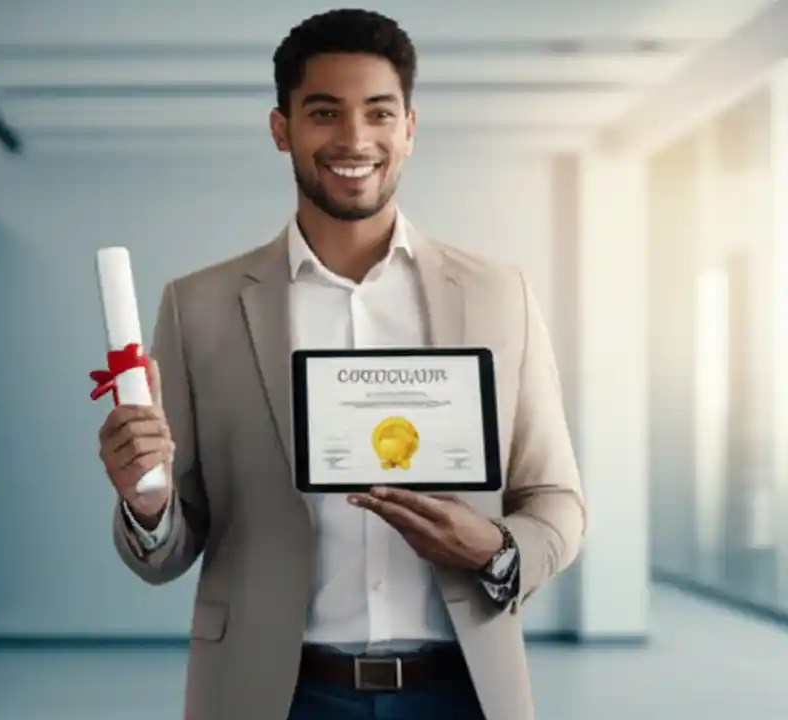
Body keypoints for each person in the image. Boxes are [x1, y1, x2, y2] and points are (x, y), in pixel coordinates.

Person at [96, 9, 586, 720]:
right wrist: (146, 505)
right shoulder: (198, 306)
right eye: (324, 113)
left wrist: (496, 548)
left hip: (462, 690)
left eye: (378, 114)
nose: (354, 139)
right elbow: (170, 547)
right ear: (281, 129)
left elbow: (558, 502)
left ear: (410, 129)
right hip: (275, 692)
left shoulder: (497, 294)